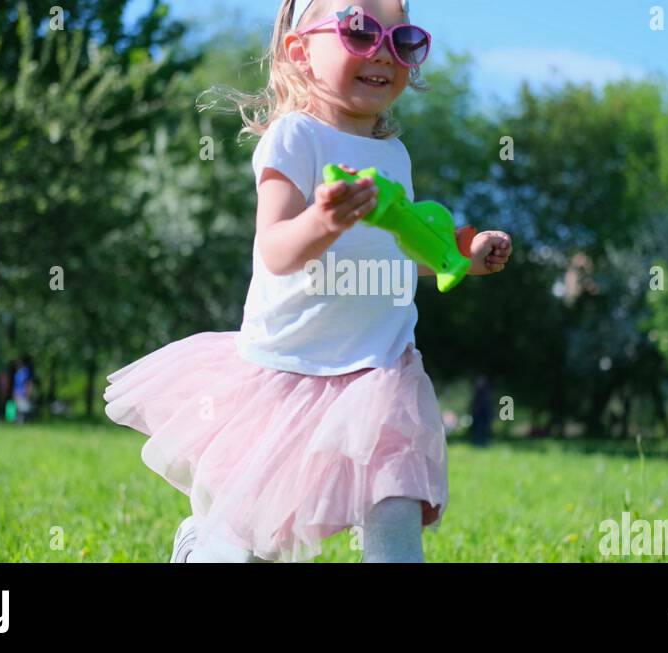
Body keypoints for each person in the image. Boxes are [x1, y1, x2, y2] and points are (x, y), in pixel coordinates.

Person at [104, 0, 512, 563]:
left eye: (403, 41)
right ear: (300, 52)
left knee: (394, 501)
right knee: (253, 538)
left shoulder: (393, 153)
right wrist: (322, 221)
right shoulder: (295, 138)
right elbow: (275, 249)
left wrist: (461, 254)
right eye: (360, 32)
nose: (383, 53)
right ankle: (202, 547)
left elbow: (399, 247)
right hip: (289, 369)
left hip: (380, 370)